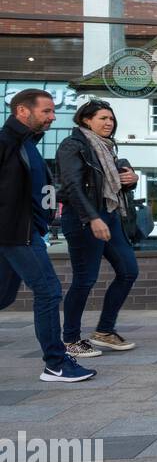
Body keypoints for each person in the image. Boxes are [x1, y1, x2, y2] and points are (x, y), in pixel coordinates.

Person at [0, 89, 95, 382]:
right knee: (49, 291)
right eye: (47, 111)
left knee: (2, 297)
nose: (53, 117)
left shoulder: (26, 144)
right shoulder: (5, 143)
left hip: (23, 233)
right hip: (16, 235)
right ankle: (56, 363)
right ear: (22, 112)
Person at [57, 99, 140, 357]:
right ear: (86, 120)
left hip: (110, 215)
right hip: (84, 219)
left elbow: (111, 183)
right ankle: (70, 340)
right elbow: (71, 186)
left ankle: (104, 332)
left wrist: (130, 180)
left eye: (111, 119)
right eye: (103, 118)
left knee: (128, 271)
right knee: (85, 279)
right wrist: (92, 218)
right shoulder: (73, 146)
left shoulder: (107, 148)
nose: (109, 123)